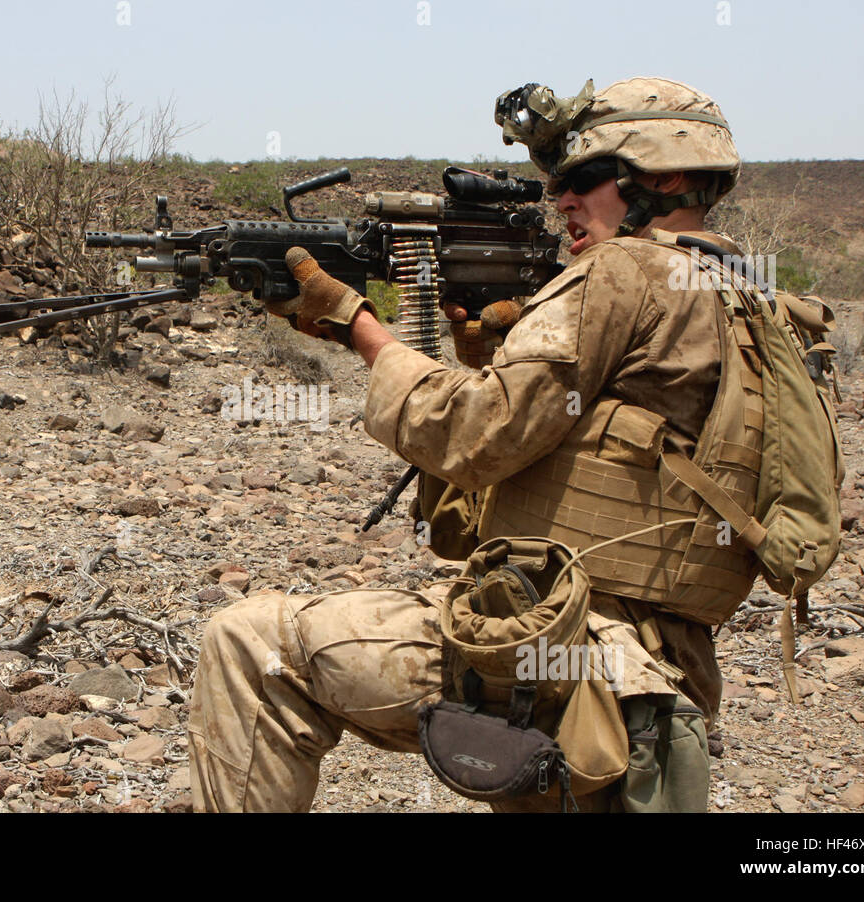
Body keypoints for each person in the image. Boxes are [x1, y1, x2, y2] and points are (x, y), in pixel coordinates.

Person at [188, 77, 771, 812]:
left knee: (251, 647)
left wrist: (358, 326)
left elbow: (475, 436)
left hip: (559, 652)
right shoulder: (756, 302)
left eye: (585, 179)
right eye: (556, 182)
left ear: (668, 176)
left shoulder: (623, 271)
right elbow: (624, 443)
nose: (561, 199)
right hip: (667, 665)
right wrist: (501, 352)